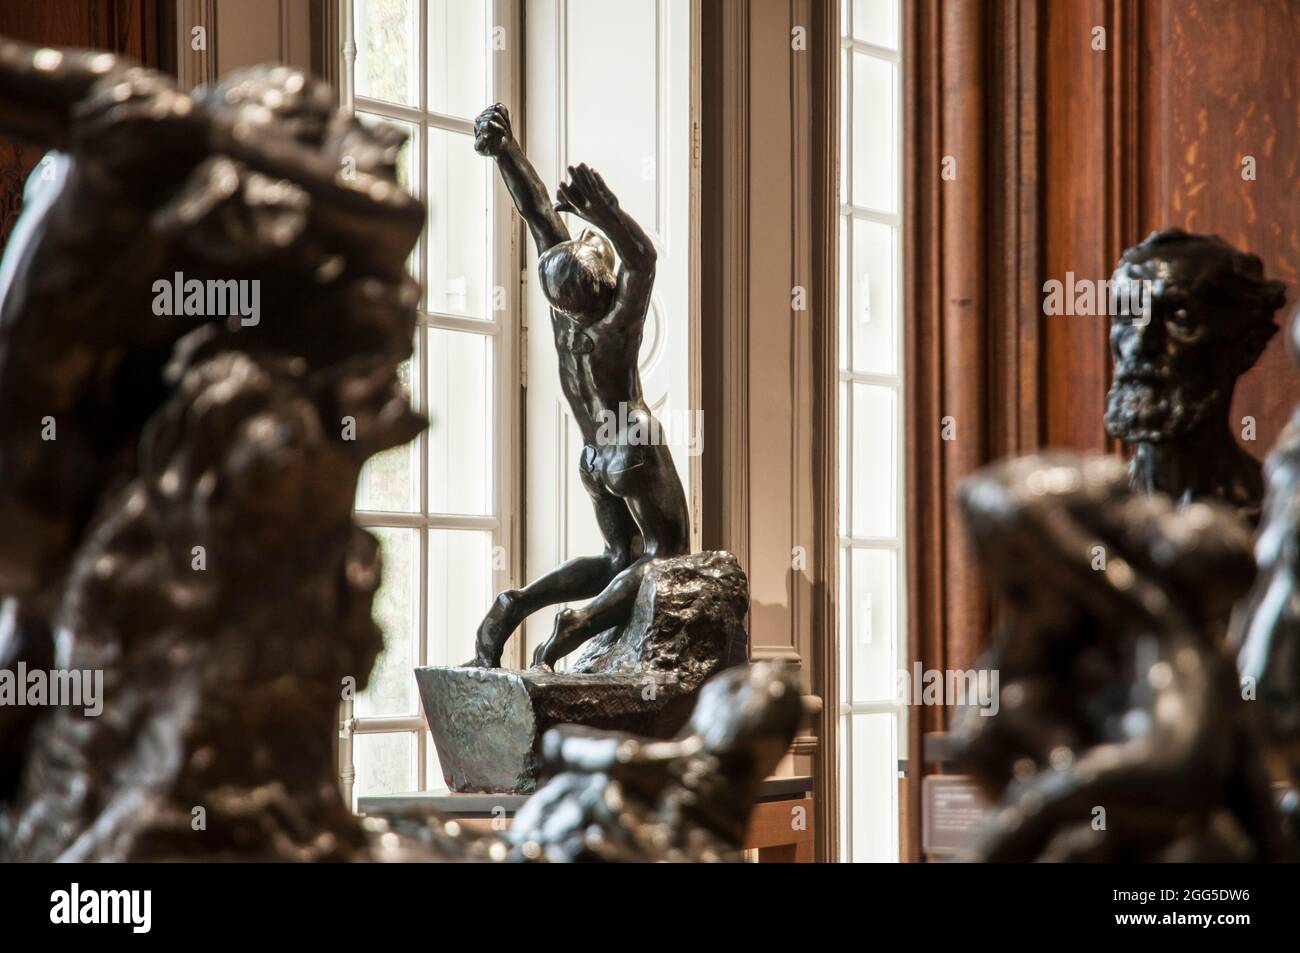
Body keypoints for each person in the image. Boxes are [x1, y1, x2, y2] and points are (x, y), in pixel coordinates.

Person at [471, 103, 689, 669]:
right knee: (666, 557)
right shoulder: (612, 327)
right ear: (603, 283)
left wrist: (505, 149)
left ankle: (515, 604)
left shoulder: (562, 313)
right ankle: (581, 621)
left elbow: (538, 211)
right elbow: (643, 261)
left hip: (593, 453)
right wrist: (610, 212)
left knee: (619, 554)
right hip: (629, 441)